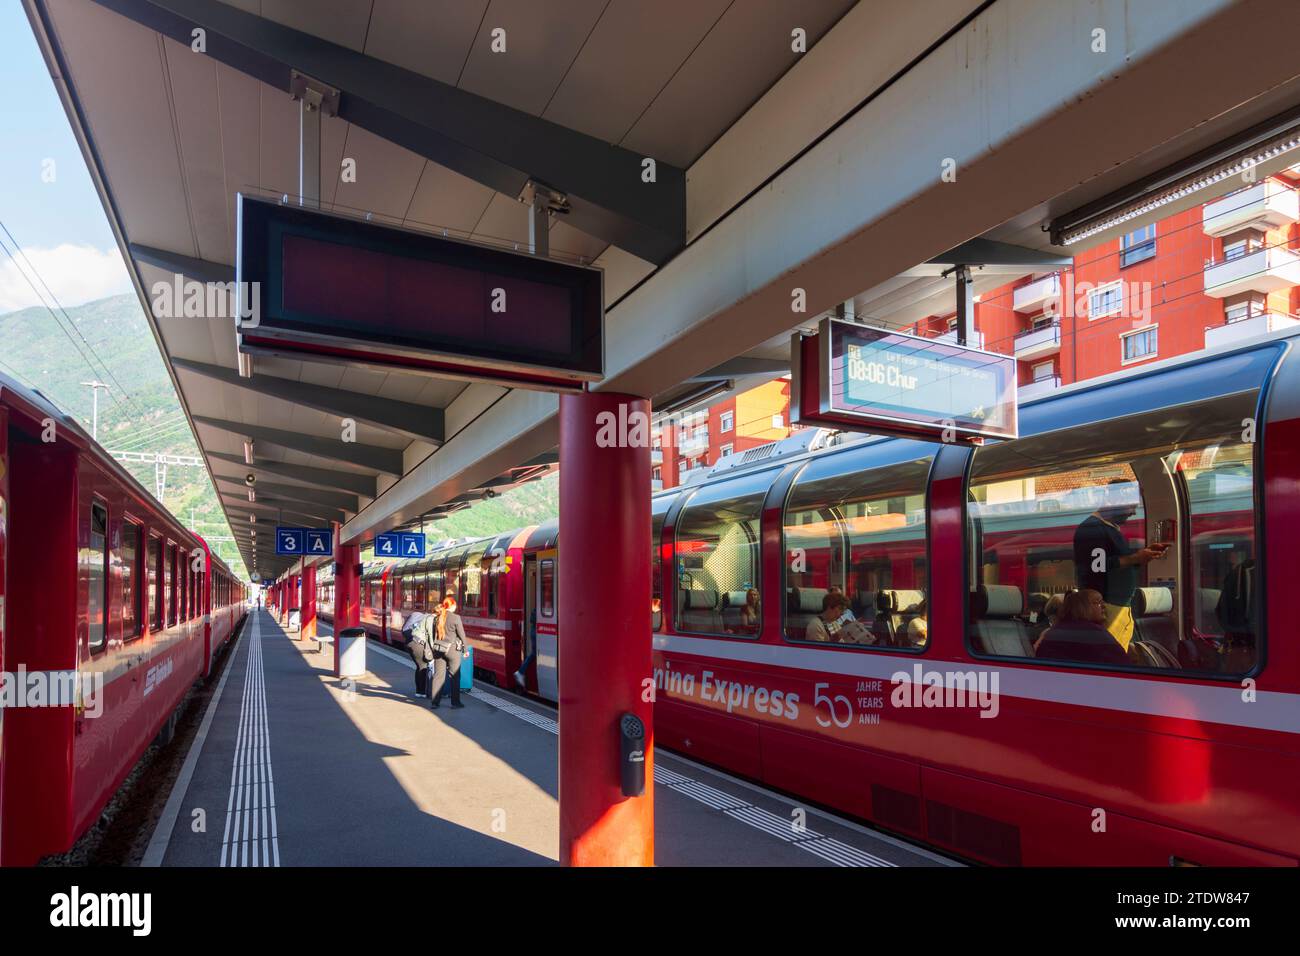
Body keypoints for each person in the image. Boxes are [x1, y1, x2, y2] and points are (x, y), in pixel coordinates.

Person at [1072, 480, 1166, 607]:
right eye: (1131, 506)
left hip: (1116, 607)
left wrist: (1143, 556)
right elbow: (1096, 568)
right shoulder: (1092, 529)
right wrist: (1135, 558)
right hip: (1104, 608)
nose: (1133, 512)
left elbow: (1116, 562)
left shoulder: (1110, 529)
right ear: (1114, 501)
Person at [1035, 588, 1128, 665]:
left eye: (1103, 601)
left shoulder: (1055, 631)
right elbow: (1123, 664)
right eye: (1098, 602)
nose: (1104, 606)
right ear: (1083, 607)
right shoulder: (1094, 633)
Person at [429, 596, 467, 710]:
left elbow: (432, 634)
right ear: (452, 605)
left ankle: (435, 702)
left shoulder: (438, 617)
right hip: (452, 650)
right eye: (455, 605)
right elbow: (462, 635)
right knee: (454, 676)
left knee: (438, 676)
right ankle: (455, 703)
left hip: (439, 650)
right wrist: (465, 650)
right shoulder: (456, 618)